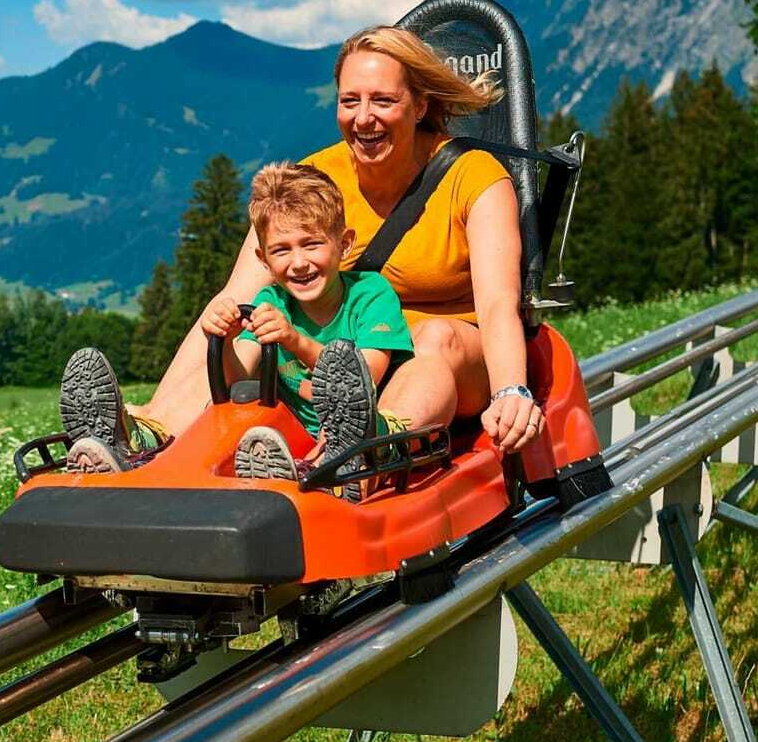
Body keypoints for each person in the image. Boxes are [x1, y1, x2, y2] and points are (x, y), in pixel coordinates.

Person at [132, 24, 545, 455]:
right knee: (245, 336)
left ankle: (367, 447)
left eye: (383, 101)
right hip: (340, 361)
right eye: (350, 101)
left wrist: (511, 391)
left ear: (420, 105)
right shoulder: (314, 181)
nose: (363, 118)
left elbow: (498, 304)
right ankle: (146, 434)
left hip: (450, 362)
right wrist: (159, 403)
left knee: (435, 338)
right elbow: (236, 297)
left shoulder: (474, 177)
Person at [196, 162, 412, 480]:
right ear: (263, 260)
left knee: (356, 421)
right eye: (281, 250)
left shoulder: (371, 294)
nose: (298, 263)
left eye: (311, 244)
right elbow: (238, 379)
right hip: (291, 432)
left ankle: (337, 463)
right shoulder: (271, 301)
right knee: (232, 410)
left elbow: (361, 379)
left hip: (363, 426)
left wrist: (295, 341)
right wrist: (225, 341)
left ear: (344, 244)